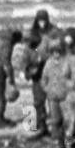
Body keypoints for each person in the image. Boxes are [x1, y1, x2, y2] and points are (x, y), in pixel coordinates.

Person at [19, 8, 57, 139]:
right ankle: (42, 127)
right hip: (37, 74)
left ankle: (58, 129)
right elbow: (27, 52)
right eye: (40, 20)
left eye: (44, 20)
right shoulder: (32, 33)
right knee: (38, 102)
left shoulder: (54, 32)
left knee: (54, 101)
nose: (42, 23)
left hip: (52, 72)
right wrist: (25, 69)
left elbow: (58, 50)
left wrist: (45, 57)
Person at [41, 30, 72, 148]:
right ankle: (60, 144)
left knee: (69, 122)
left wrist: (70, 89)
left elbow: (73, 78)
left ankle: (72, 145)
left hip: (65, 97)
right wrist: (47, 89)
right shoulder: (48, 63)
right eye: (53, 52)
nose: (56, 54)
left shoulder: (67, 62)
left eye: (58, 52)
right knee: (56, 121)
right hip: (53, 98)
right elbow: (43, 79)